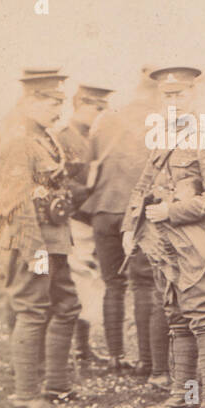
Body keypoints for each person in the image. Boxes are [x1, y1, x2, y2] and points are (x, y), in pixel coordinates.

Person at [122, 67, 205, 408]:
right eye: (167, 96)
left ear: (193, 96)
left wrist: (173, 210)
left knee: (202, 316)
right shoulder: (161, 137)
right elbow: (142, 187)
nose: (173, 101)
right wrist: (128, 227)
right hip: (163, 245)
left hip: (194, 241)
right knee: (177, 318)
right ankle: (183, 395)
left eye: (179, 94)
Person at [0, 73, 82, 408]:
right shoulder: (18, 139)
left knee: (67, 305)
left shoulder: (44, 136)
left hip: (55, 241)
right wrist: (35, 253)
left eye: (61, 102)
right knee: (32, 309)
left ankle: (57, 384)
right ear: (30, 100)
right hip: (35, 243)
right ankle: (26, 395)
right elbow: (17, 202)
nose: (59, 110)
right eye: (53, 102)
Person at [86, 67, 169, 382]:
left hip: (103, 211)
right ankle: (147, 362)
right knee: (144, 286)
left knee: (112, 284)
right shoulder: (158, 120)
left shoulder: (106, 118)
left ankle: (116, 356)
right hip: (135, 214)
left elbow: (91, 162)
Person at [57, 84, 114, 366]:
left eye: (103, 108)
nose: (100, 113)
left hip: (96, 220)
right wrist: (88, 185)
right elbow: (57, 183)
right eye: (95, 107)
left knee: (93, 285)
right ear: (78, 103)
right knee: (80, 282)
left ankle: (83, 347)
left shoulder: (99, 136)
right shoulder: (62, 137)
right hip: (75, 220)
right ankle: (75, 350)